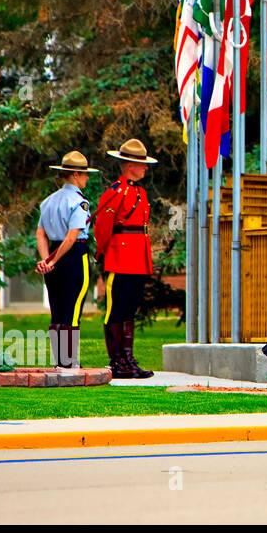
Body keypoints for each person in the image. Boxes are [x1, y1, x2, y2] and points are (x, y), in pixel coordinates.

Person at [93, 138, 158, 379]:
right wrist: (103, 253)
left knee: (130, 308)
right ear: (130, 165)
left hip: (137, 257)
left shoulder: (140, 192)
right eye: (142, 164)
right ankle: (117, 361)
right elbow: (102, 227)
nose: (145, 168)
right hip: (119, 257)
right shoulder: (115, 192)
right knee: (117, 309)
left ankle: (128, 359)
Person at [35, 151, 99, 369]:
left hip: (53, 252)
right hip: (73, 256)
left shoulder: (48, 201)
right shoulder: (80, 203)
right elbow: (72, 236)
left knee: (57, 312)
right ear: (76, 175)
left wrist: (47, 260)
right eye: (85, 174)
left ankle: (60, 361)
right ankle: (70, 362)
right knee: (72, 311)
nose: (87, 178)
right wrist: (53, 261)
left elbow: (41, 233)